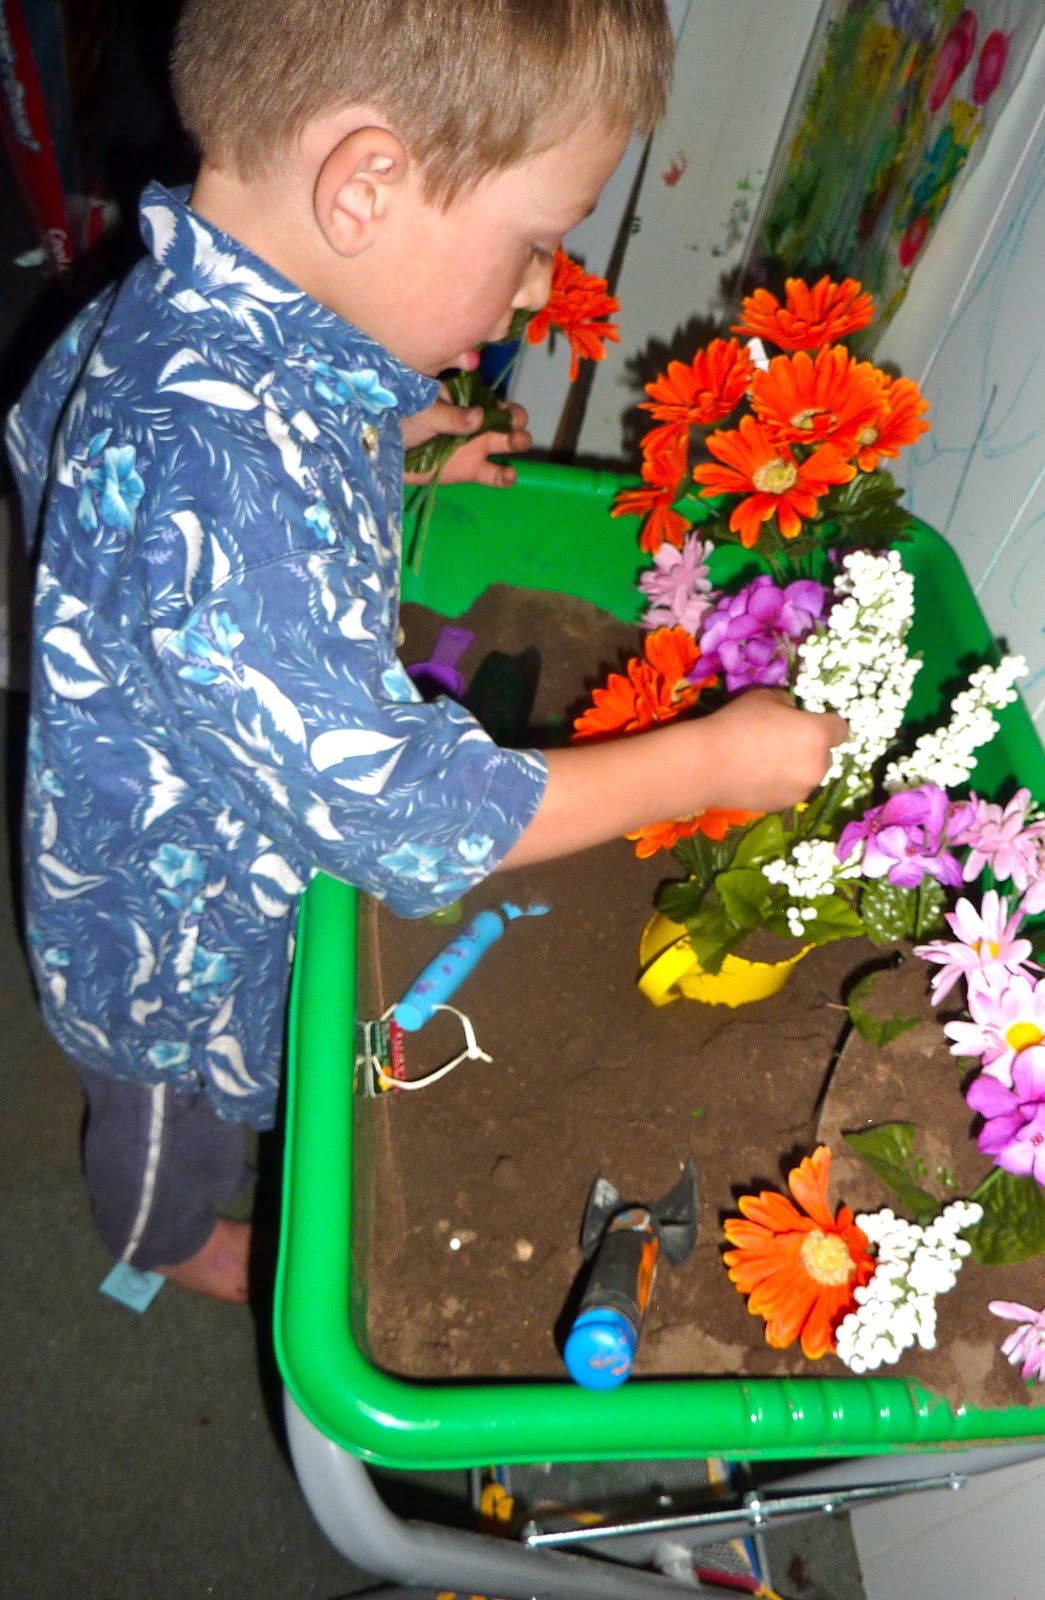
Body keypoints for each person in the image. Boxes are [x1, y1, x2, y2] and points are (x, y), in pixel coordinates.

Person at [6, 0, 846, 1303]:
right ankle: (163, 1244)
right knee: (168, 1134)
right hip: (164, 936)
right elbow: (404, 813)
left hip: (194, 790)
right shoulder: (220, 489)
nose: (533, 289)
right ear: (367, 185)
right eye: (533, 245)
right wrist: (702, 764)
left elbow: (47, 431)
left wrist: (385, 448)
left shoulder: (185, 302)